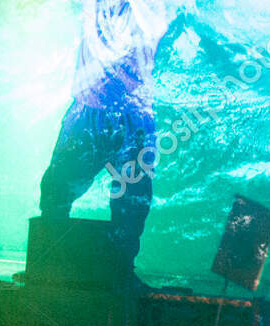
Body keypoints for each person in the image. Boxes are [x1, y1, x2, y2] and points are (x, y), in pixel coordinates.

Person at [38, 0, 191, 289]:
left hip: (128, 113)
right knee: (58, 188)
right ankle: (48, 264)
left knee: (131, 200)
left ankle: (118, 272)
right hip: (94, 107)